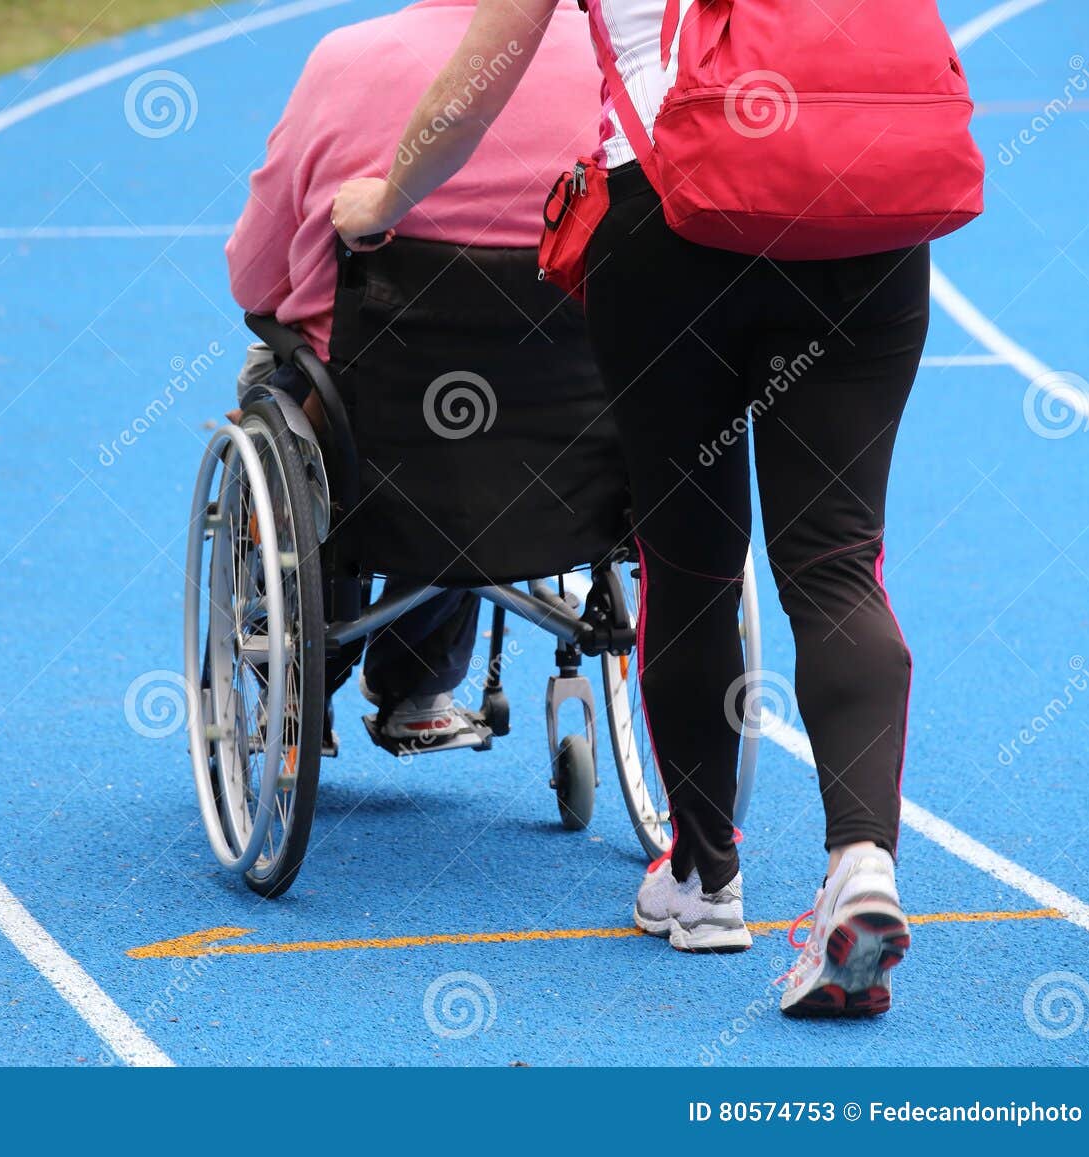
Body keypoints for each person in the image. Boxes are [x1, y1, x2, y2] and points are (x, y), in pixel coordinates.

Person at [333, 0, 921, 1016]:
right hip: (861, 202)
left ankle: (704, 873)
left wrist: (386, 195)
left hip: (676, 219)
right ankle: (861, 857)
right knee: (834, 561)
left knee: (688, 556)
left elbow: (486, 71)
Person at [225, 0, 605, 745]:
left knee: (291, 387)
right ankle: (422, 680)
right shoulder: (611, 64)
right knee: (479, 400)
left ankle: (302, 670)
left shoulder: (349, 60)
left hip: (376, 426)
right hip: (570, 427)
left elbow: (254, 277)